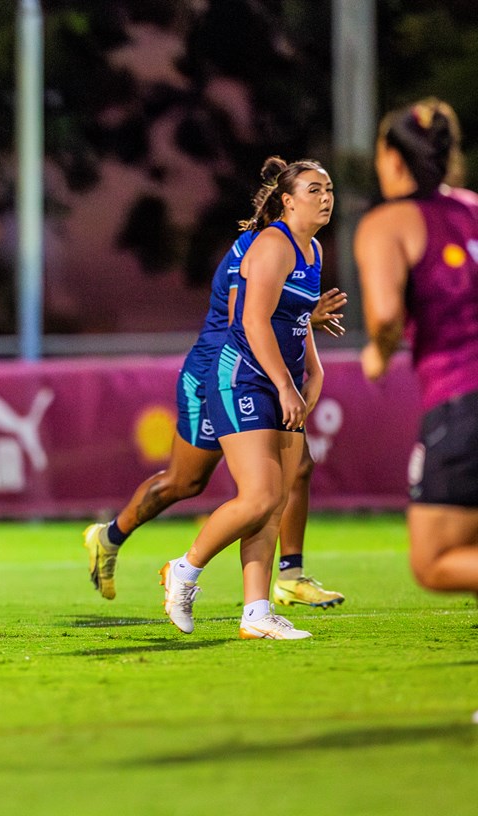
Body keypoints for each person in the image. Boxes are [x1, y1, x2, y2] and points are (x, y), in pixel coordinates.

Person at [82, 242, 348, 608]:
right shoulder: (257, 248)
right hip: (217, 375)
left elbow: (283, 313)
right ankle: (111, 536)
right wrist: (301, 317)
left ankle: (288, 577)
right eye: (310, 192)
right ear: (283, 201)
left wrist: (304, 328)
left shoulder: (301, 248)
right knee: (186, 482)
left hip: (259, 376)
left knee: (294, 470)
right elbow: (245, 320)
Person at [157, 157, 334, 640]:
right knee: (260, 495)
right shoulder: (274, 244)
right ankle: (185, 569)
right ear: (287, 200)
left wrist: (311, 369)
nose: (325, 197)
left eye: (329, 189)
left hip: (276, 378)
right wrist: (284, 384)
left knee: (275, 500)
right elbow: (253, 321)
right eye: (314, 189)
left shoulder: (311, 250)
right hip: (242, 378)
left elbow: (294, 319)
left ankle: (256, 613)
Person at [356, 98, 478, 603]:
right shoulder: (474, 207)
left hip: (462, 398)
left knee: (434, 562)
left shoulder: (388, 224)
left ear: (393, 158)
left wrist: (379, 355)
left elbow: (385, 316)